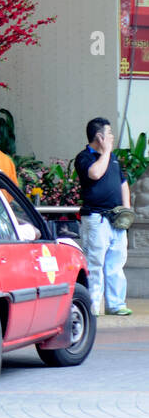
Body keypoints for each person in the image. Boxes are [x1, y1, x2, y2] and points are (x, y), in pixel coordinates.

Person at [75, 118, 133, 317]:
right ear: (99, 137)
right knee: (95, 263)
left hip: (116, 219)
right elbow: (94, 174)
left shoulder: (114, 158)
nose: (112, 137)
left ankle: (116, 304)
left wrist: (127, 210)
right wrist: (106, 152)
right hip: (96, 219)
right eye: (108, 134)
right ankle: (92, 306)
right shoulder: (84, 157)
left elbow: (123, 183)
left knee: (116, 263)